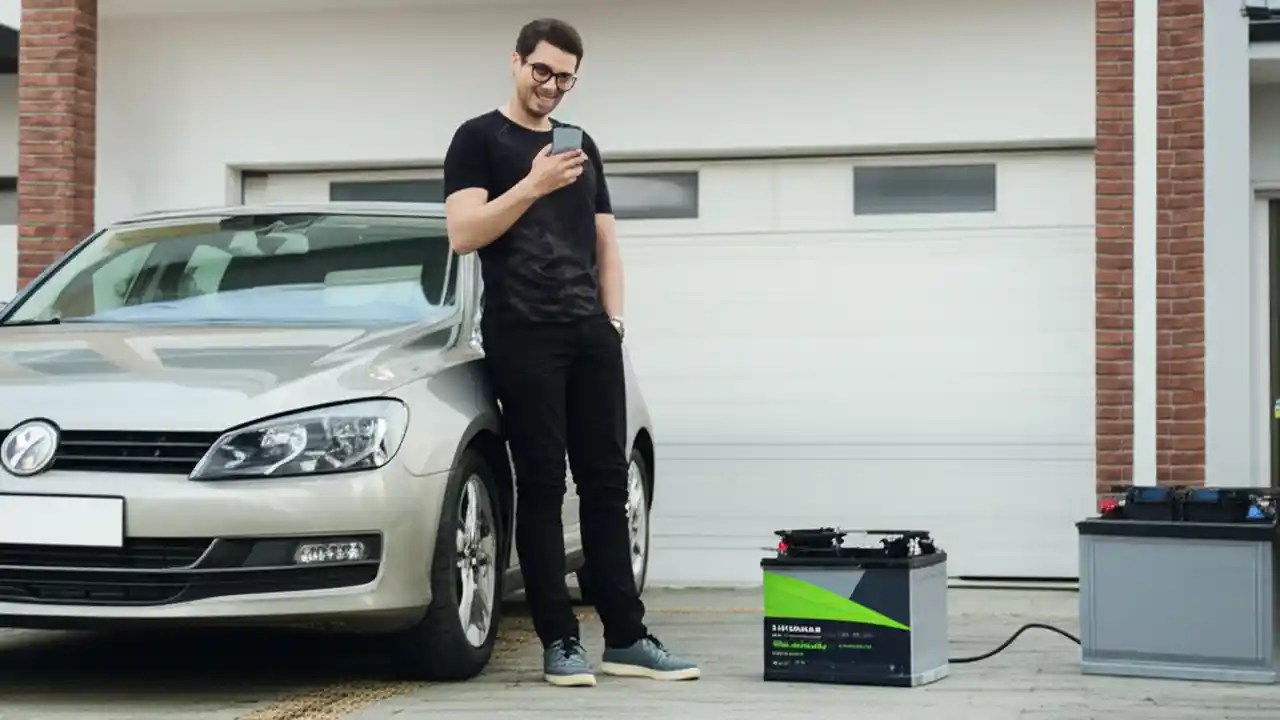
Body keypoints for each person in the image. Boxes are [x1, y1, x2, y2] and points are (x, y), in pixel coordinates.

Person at [441, 18, 701, 687]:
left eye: (565, 77)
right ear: (516, 62)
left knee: (608, 484)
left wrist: (612, 323)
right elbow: (464, 232)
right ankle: (560, 642)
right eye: (542, 72)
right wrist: (532, 184)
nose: (552, 87)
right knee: (542, 484)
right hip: (522, 333)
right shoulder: (477, 140)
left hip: (588, 333)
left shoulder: (582, 145)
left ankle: (627, 637)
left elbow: (607, 241)